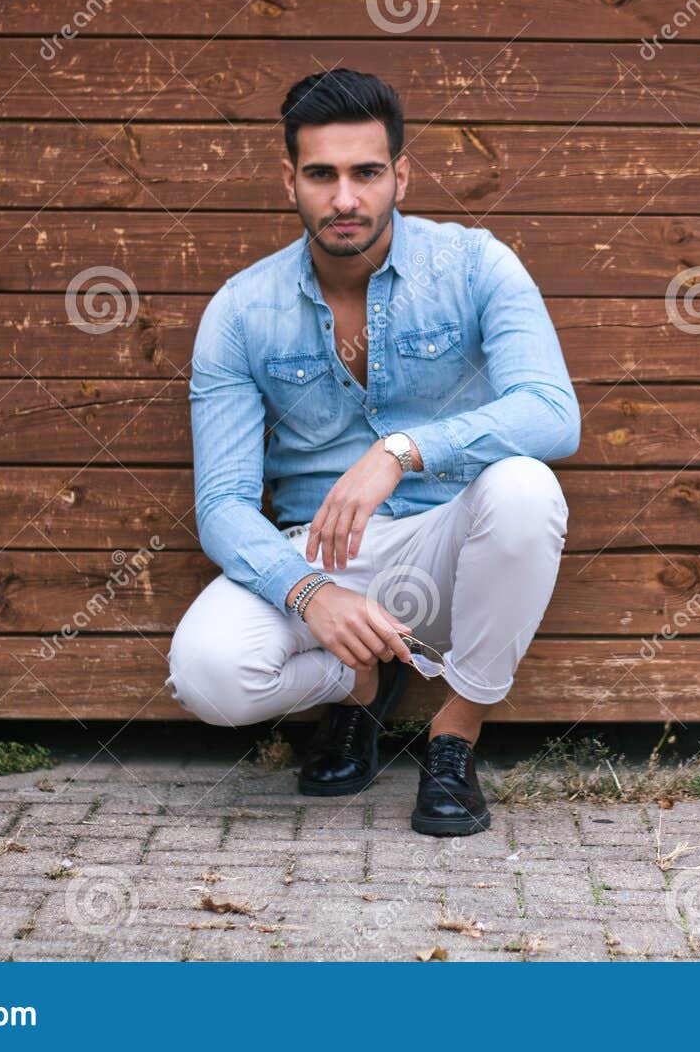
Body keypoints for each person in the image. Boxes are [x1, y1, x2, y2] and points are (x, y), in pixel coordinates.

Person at [166, 68, 580, 836]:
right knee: (206, 675)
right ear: (290, 178)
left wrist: (403, 449)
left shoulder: (476, 265)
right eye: (322, 175)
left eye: (366, 172)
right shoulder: (241, 310)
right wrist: (306, 593)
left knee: (525, 488)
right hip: (315, 553)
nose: (346, 199)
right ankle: (355, 682)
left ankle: (455, 734)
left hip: (448, 549)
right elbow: (222, 505)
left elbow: (554, 414)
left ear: (401, 173)